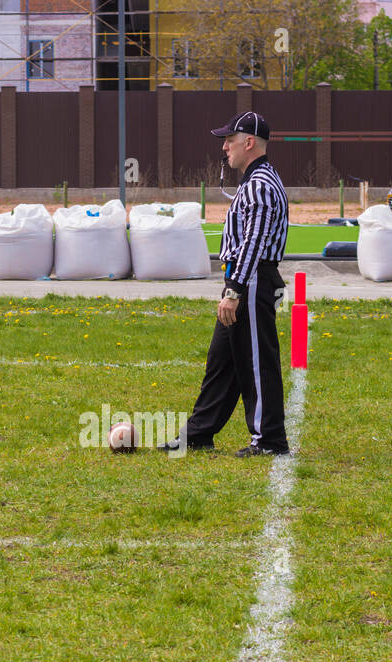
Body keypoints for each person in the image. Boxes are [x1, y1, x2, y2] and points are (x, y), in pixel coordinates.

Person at [160, 111, 291, 458]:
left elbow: (253, 242)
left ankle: (269, 440)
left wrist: (234, 291)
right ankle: (199, 433)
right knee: (223, 361)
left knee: (256, 361)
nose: (224, 147)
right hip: (245, 278)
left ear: (249, 142)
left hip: (250, 280)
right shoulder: (257, 181)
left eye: (229, 140)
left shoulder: (260, 185)